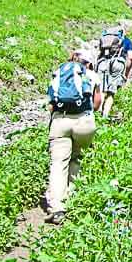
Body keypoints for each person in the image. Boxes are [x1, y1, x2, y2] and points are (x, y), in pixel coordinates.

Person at [45, 47, 102, 224]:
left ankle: (57, 207)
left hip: (60, 122)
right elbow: (97, 103)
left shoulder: (59, 73)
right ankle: (72, 198)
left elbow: (51, 103)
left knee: (58, 164)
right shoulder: (92, 76)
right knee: (76, 158)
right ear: (89, 63)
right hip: (84, 122)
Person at [97, 26, 132, 118]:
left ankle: (97, 114)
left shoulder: (105, 40)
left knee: (101, 90)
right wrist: (126, 74)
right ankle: (105, 115)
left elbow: (99, 53)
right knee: (111, 93)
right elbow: (130, 58)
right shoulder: (127, 41)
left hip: (102, 62)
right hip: (117, 64)